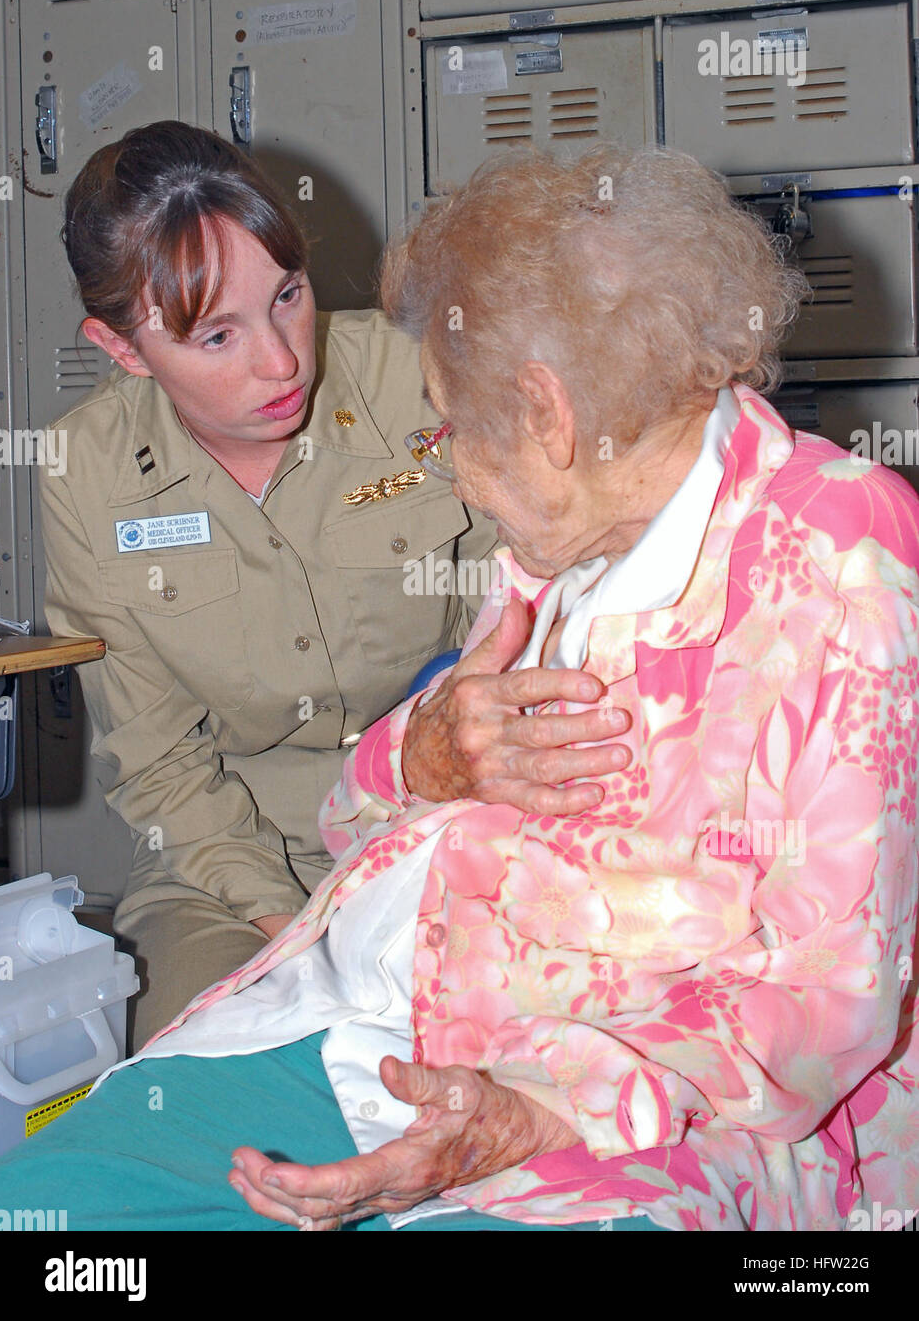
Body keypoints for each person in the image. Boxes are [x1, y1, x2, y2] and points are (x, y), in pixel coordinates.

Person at [0, 141, 917, 1232]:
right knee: (50, 1211)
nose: (454, 465)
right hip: (380, 992)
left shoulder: (833, 552)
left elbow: (824, 994)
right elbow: (354, 815)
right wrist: (423, 752)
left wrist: (539, 1106)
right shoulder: (554, 537)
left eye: (458, 431)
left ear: (546, 416)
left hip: (610, 1074)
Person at [42, 122, 633, 1046]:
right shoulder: (87, 476)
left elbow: (542, 605)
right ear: (121, 349)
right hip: (231, 865)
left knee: (523, 1058)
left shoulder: (419, 380)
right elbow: (160, 766)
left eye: (288, 296)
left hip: (453, 812)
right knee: (220, 1078)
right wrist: (296, 934)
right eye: (216, 335)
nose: (280, 361)